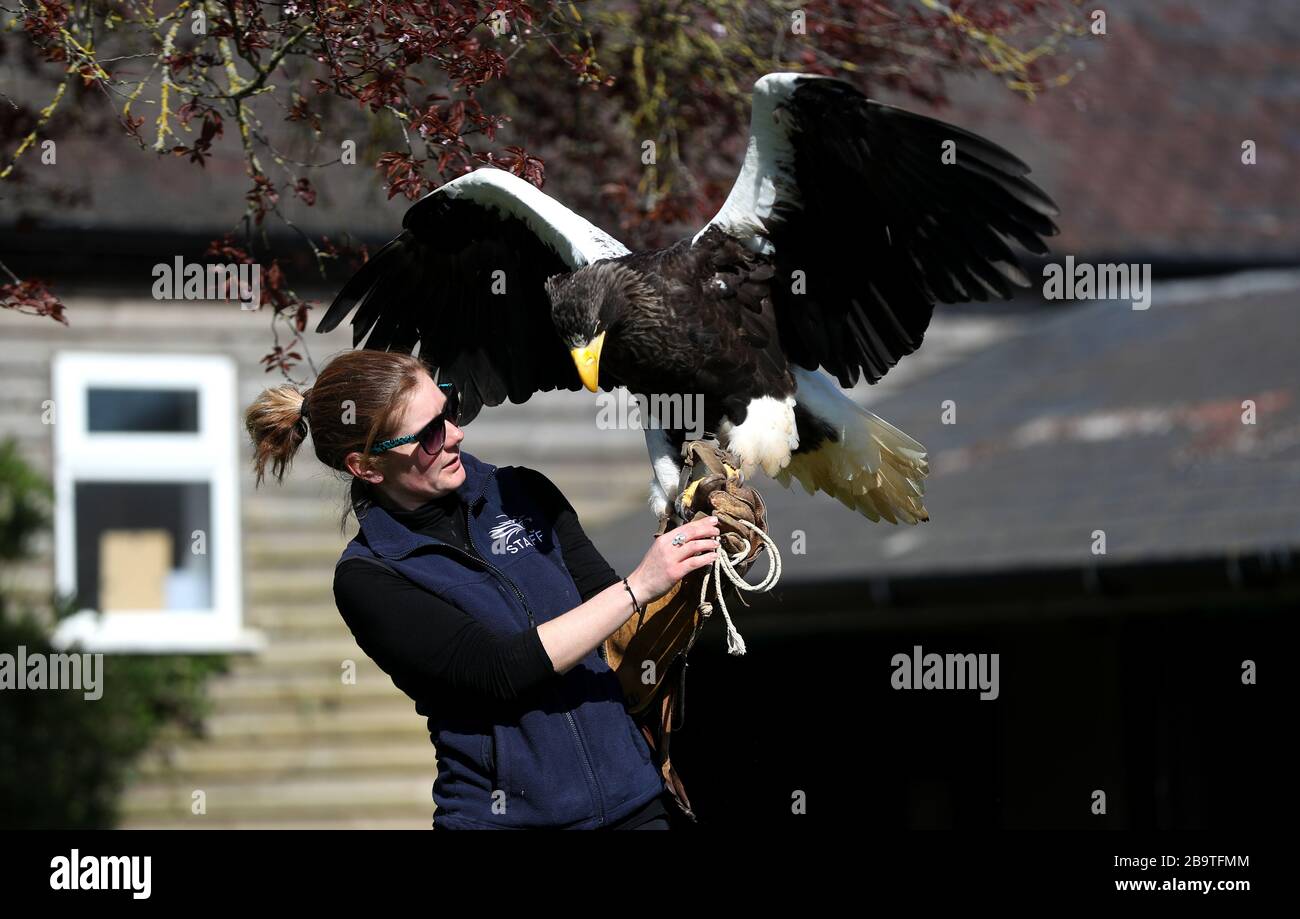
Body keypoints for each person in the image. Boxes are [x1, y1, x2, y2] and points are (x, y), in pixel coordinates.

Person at [244, 349, 722, 829]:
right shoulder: (370, 576)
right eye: (430, 433)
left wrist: (690, 554)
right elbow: (498, 669)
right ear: (366, 467)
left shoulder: (524, 492)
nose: (456, 434)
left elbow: (616, 620)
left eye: (447, 410)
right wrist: (639, 585)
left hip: (634, 805)